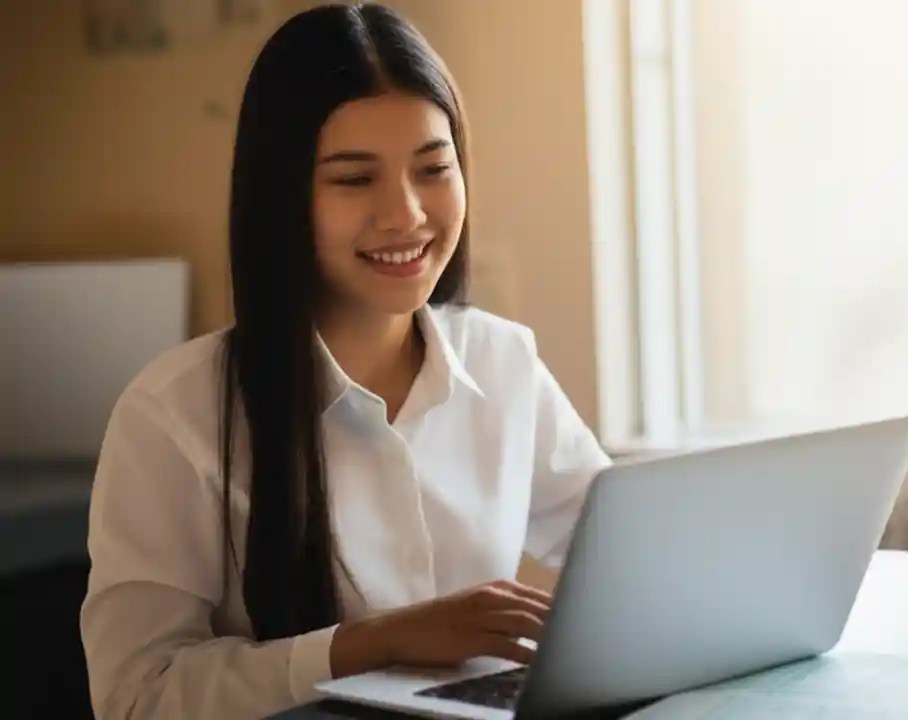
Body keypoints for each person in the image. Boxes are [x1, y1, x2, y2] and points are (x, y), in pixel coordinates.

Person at [79, 4, 611, 718]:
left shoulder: (503, 361)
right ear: (282, 197)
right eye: (355, 180)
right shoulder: (175, 413)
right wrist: (368, 644)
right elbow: (134, 697)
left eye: (433, 169)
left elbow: (624, 552)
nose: (406, 214)